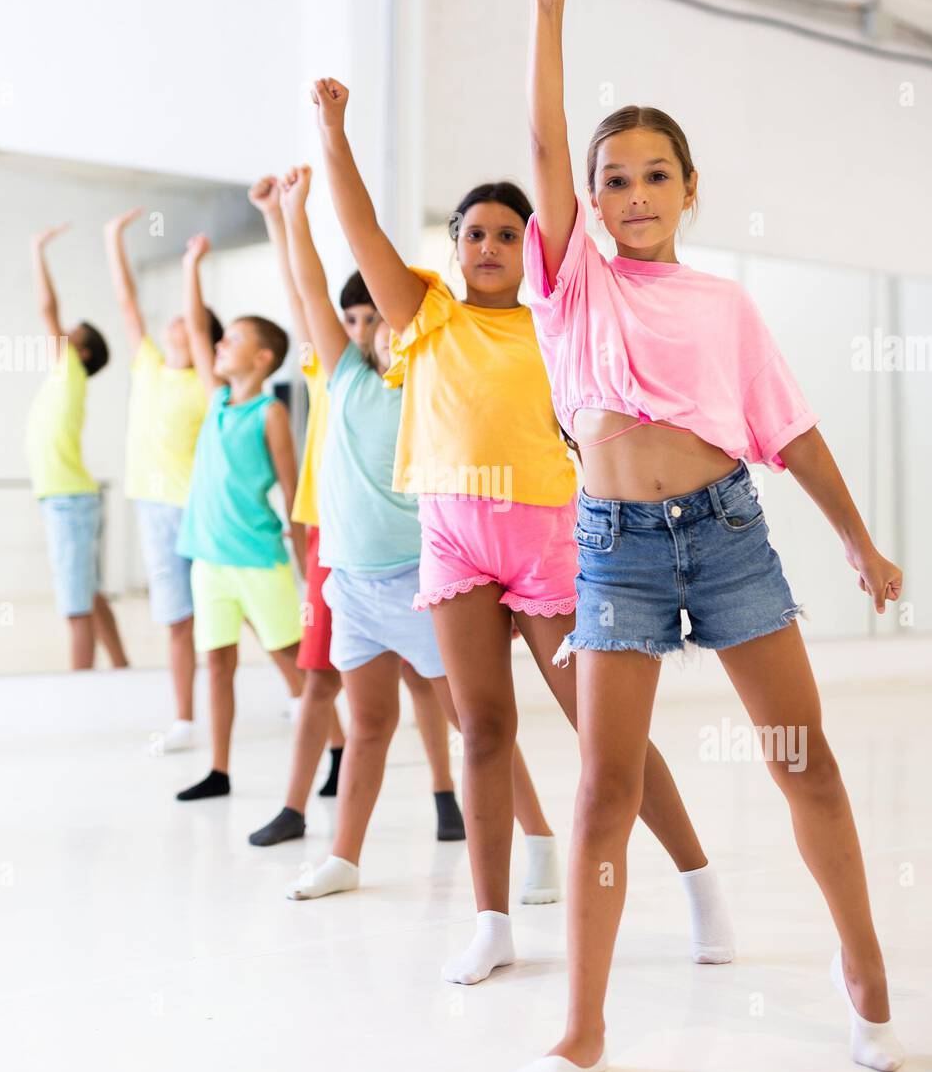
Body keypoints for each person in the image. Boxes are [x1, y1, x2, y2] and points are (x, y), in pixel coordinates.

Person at [511, 0, 905, 1072]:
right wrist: (548, 5)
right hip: (617, 551)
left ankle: (866, 971)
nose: (632, 195)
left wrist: (857, 536)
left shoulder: (721, 305)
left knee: (807, 766)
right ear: (585, 199)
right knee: (603, 789)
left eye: (653, 177)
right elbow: (540, 144)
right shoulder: (569, 282)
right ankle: (580, 1027)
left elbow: (788, 430)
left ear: (688, 189)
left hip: (728, 537)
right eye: (610, 179)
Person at [312, 78, 733, 984]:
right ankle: (492, 921)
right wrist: (333, 134)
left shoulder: (555, 316)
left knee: (601, 734)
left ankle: (699, 880)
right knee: (482, 729)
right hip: (454, 542)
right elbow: (357, 232)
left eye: (509, 233)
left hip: (546, 543)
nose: (493, 245)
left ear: (530, 246)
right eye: (476, 234)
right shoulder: (423, 316)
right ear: (455, 249)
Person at [244, 176, 464, 846]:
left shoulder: (417, 379)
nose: (366, 327)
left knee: (428, 687)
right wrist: (281, 218)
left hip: (403, 555)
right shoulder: (330, 367)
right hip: (334, 544)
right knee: (321, 682)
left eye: (377, 317)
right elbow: (301, 291)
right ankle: (295, 805)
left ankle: (446, 795)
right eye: (353, 319)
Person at [174, 234, 305, 801]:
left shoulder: (269, 411)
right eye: (220, 340)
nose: (219, 346)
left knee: (296, 668)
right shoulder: (216, 398)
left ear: (262, 359)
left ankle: (338, 750)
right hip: (209, 561)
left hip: (258, 558)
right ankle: (219, 771)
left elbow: (294, 493)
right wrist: (192, 265)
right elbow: (197, 329)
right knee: (218, 665)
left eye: (233, 341)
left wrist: (311, 571)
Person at [104, 207, 223, 751]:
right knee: (177, 619)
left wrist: (190, 266)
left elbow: (196, 323)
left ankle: (300, 692)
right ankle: (184, 720)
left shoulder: (207, 380)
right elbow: (127, 303)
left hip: (195, 509)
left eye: (183, 322)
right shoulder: (149, 363)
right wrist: (113, 239)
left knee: (230, 608)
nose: (172, 324)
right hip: (153, 509)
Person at [25, 223, 129, 672]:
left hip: (68, 500)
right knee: (87, 592)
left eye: (71, 333)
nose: (61, 333)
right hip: (71, 498)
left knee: (76, 606)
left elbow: (47, 306)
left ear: (81, 352)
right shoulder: (63, 375)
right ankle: (122, 668)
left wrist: (37, 249)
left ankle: (79, 685)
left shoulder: (68, 369)